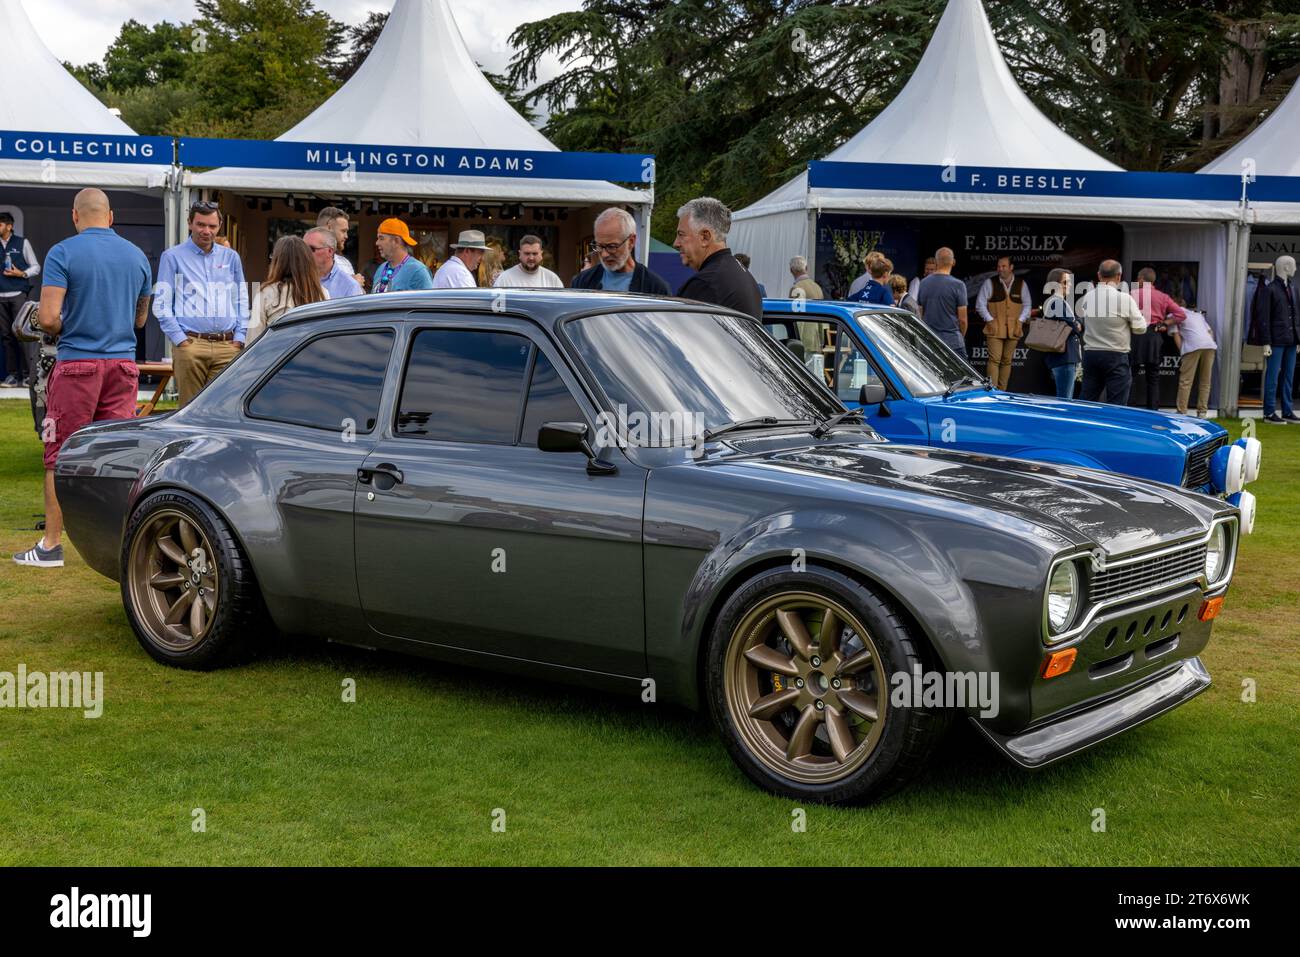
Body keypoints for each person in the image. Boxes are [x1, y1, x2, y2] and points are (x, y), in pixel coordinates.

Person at [13, 189, 151, 569]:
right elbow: (140, 319)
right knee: (116, 459)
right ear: (111, 216)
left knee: (58, 456)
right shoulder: (137, 256)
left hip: (78, 364)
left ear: (75, 216)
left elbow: (49, 317)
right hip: (123, 366)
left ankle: (51, 546)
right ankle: (122, 549)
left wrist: (64, 326)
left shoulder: (62, 252)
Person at [154, 201, 249, 407]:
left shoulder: (231, 257)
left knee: (224, 410)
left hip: (227, 345)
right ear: (190, 223)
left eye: (212, 226)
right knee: (190, 410)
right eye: (200, 224)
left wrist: (240, 337)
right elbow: (162, 303)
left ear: (220, 226)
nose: (206, 231)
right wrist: (180, 340)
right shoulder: (172, 257)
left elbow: (241, 298)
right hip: (191, 345)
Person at [673, 196, 763, 321]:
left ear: (705, 237)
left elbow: (678, 336)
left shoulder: (706, 283)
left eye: (681, 235)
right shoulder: (742, 275)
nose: (676, 243)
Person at [1076, 259, 1146, 405]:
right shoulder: (1124, 299)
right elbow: (1140, 328)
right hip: (1116, 355)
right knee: (1117, 404)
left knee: (1087, 401)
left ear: (1098, 275)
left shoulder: (1087, 297)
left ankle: (1081, 426)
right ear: (1119, 276)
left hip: (1091, 354)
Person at [248, 236, 328, 343]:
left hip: (277, 356)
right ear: (307, 262)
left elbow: (253, 339)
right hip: (310, 357)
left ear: (278, 262)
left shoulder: (265, 292)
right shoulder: (322, 293)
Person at [1250, 254, 1300, 423]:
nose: (1295, 268)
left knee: (1289, 376)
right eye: (1293, 265)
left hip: (1291, 340)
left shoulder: (1293, 288)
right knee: (1272, 376)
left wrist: (1298, 339)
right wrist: (1266, 342)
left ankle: (1287, 410)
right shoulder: (1269, 289)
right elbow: (1263, 317)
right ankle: (1269, 412)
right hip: (1276, 340)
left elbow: (1296, 315)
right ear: (1286, 267)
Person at [572, 208, 670, 294]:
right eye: (599, 246)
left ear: (631, 241)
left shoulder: (654, 288)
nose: (604, 254)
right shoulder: (582, 282)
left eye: (612, 246)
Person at [1129, 266, 1185, 410]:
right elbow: (1181, 315)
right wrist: (1164, 323)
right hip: (1154, 335)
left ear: (1141, 279)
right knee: (1153, 377)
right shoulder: (1163, 297)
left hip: (1135, 335)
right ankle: (1153, 411)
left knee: (1131, 375)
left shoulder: (1132, 294)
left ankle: (1129, 408)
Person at [976, 256, 1031, 391]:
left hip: (1014, 329)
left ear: (1011, 267)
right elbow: (980, 304)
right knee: (994, 360)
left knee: (1007, 361)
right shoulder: (990, 283)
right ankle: (993, 391)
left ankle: (1002, 391)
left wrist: (1020, 321)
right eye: (999, 266)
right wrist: (990, 320)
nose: (1000, 269)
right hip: (994, 329)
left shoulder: (1021, 284)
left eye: (1003, 266)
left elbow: (1028, 305)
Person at [0, 211, 41, 389]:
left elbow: (36, 267)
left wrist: (21, 273)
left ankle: (27, 376)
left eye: (0, 224)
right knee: (6, 337)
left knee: (22, 336)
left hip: (18, 294)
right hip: (0, 296)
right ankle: (10, 376)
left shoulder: (22, 242)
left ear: (9, 226)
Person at [915, 247, 969, 357]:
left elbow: (920, 313)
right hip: (953, 342)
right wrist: (960, 336)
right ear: (953, 262)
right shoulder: (958, 285)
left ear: (936, 262)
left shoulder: (924, 283)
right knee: (959, 374)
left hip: (929, 340)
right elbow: (963, 320)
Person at [1039, 268, 1083, 399]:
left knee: (1064, 398)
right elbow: (1074, 327)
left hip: (1064, 357)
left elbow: (1073, 324)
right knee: (1064, 400)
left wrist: (1077, 322)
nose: (1069, 285)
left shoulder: (1058, 302)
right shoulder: (1056, 302)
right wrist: (1078, 323)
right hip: (1063, 358)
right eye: (1065, 282)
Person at [1174, 299, 1217, 417]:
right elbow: (1210, 332)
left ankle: (1181, 412)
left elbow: (1176, 335)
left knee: (1186, 381)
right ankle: (1202, 412)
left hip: (1193, 346)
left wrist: (1182, 352)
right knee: (1205, 381)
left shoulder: (1174, 314)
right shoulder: (1197, 315)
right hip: (1210, 346)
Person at [371, 219, 434, 293]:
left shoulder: (418, 271)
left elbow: (427, 303)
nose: (377, 243)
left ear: (396, 241)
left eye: (381, 238)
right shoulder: (381, 268)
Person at [304, 227, 363, 300]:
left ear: (330, 251)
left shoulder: (350, 286)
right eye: (302, 248)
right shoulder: (297, 279)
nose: (304, 253)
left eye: (311, 249)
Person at [495, 234, 562, 288]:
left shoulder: (553, 279)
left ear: (541, 254)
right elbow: (496, 303)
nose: (531, 258)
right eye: (527, 253)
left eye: (535, 253)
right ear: (520, 254)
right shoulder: (505, 278)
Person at [316, 207, 355, 275]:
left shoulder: (345, 263)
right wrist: (352, 282)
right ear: (329, 228)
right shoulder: (308, 260)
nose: (346, 236)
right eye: (343, 231)